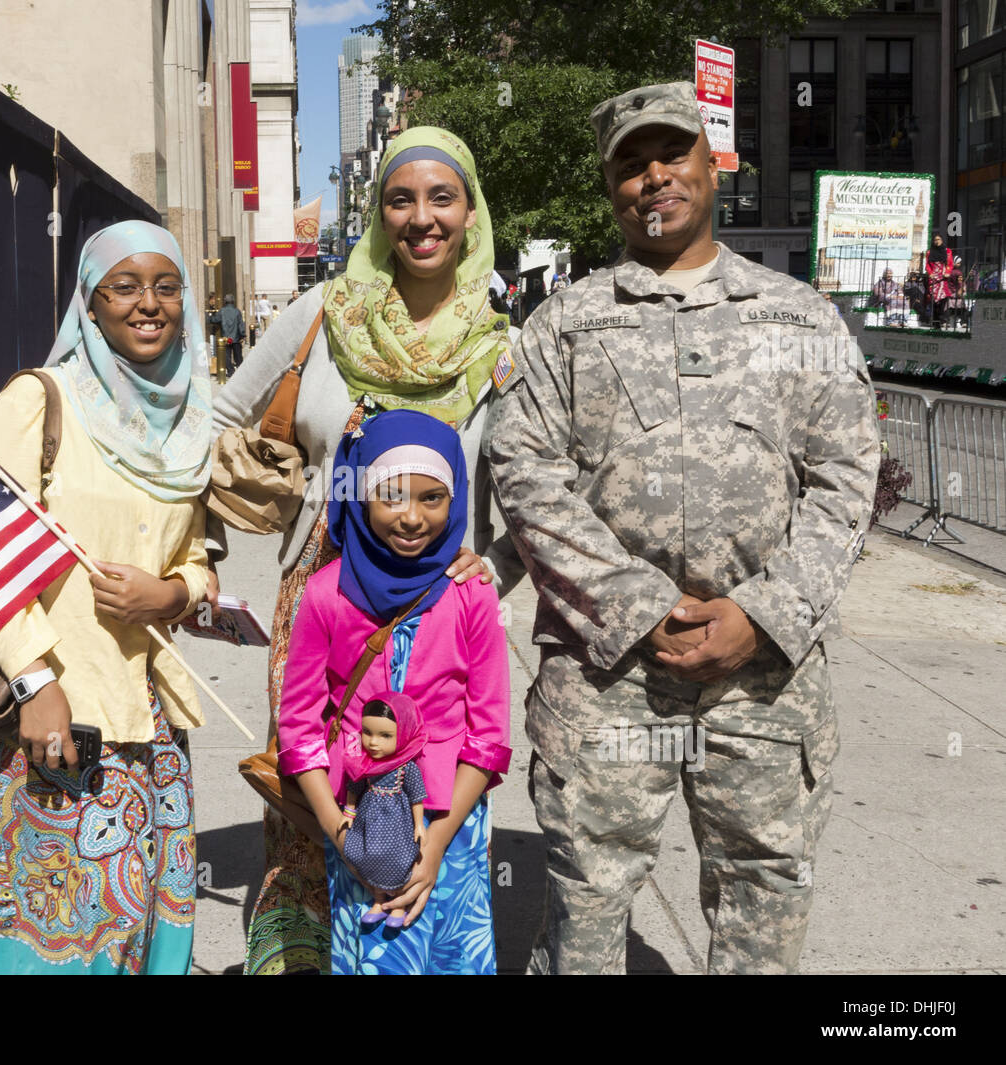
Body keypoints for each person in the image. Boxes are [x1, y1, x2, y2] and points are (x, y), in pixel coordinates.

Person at [486, 82, 880, 974]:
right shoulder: (566, 325)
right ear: (610, 188)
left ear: (713, 164)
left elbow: (847, 477)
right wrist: (635, 606)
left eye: (672, 153)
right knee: (588, 896)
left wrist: (764, 613)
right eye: (631, 164)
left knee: (764, 897)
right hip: (610, 674)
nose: (654, 176)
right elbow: (524, 471)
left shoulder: (798, 318)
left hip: (763, 682)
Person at [212, 125, 526, 975]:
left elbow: (542, 479)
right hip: (320, 597)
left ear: (471, 212)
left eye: (442, 197)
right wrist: (199, 550)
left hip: (438, 614)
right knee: (307, 797)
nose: (422, 218)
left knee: (423, 787)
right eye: (400, 198)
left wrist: (497, 565)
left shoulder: (499, 348)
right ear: (379, 213)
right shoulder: (324, 314)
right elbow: (218, 416)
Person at [0, 220, 213, 974]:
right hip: (59, 716)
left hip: (151, 726)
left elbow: (195, 558)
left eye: (165, 286)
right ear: (89, 302)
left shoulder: (188, 419)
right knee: (60, 929)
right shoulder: (38, 401)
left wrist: (169, 593)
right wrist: (34, 682)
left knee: (143, 925)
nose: (148, 304)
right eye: (124, 287)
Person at [279, 411, 511, 975]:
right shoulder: (326, 595)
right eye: (391, 496)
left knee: (449, 954)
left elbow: (489, 734)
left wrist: (436, 846)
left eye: (433, 498)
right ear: (360, 495)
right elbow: (299, 727)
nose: (412, 517)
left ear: (455, 499)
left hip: (451, 819)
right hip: (361, 822)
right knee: (376, 954)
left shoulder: (471, 593)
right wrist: (343, 837)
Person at [340, 692, 427, 928]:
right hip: (369, 821)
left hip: (396, 824)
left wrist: (419, 825)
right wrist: (349, 812)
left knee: (399, 860)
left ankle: (398, 905)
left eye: (385, 735)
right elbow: (354, 787)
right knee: (366, 855)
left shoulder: (406, 768)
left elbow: (417, 798)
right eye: (367, 732)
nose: (373, 742)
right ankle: (378, 902)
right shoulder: (365, 764)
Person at [925, 234, 959, 329]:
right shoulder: (929, 252)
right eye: (935, 240)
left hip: (943, 278)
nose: (937, 241)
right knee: (934, 301)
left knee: (943, 300)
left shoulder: (947, 251)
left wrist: (947, 272)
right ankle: (935, 322)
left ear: (942, 240)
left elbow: (950, 264)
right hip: (934, 278)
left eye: (938, 239)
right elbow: (927, 265)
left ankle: (941, 320)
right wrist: (930, 273)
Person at [218, 293, 246, 376]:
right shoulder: (237, 311)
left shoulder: (222, 311)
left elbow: (215, 319)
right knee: (238, 356)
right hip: (236, 337)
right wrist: (242, 335)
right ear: (233, 301)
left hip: (226, 337)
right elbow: (241, 324)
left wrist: (208, 318)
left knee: (227, 356)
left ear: (225, 301)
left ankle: (231, 371)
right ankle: (241, 372)